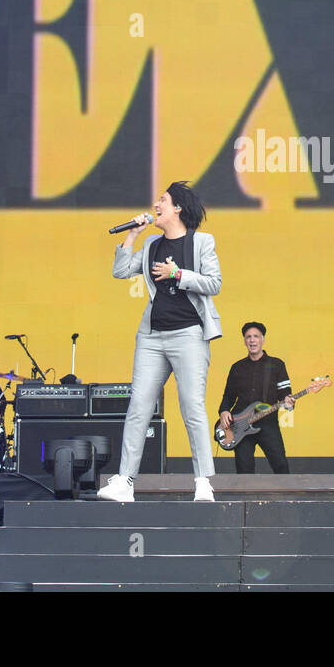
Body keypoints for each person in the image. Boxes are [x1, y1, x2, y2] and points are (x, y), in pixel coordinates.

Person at [101, 181, 222, 502]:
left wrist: (177, 274)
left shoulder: (201, 242)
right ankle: (125, 481)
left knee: (192, 406)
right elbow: (120, 271)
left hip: (190, 335)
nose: (156, 204)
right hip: (152, 337)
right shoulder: (153, 244)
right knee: (139, 406)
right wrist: (132, 235)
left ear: (178, 208)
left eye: (163, 200)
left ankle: (202, 481)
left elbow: (214, 283)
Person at [218, 322, 294, 474]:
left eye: (256, 337)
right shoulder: (237, 367)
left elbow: (286, 394)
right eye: (248, 337)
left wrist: (288, 403)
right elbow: (228, 395)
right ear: (245, 341)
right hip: (240, 426)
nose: (252, 340)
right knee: (244, 470)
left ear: (263, 340)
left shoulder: (277, 365)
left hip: (268, 424)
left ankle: (285, 497)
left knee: (281, 466)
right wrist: (224, 411)